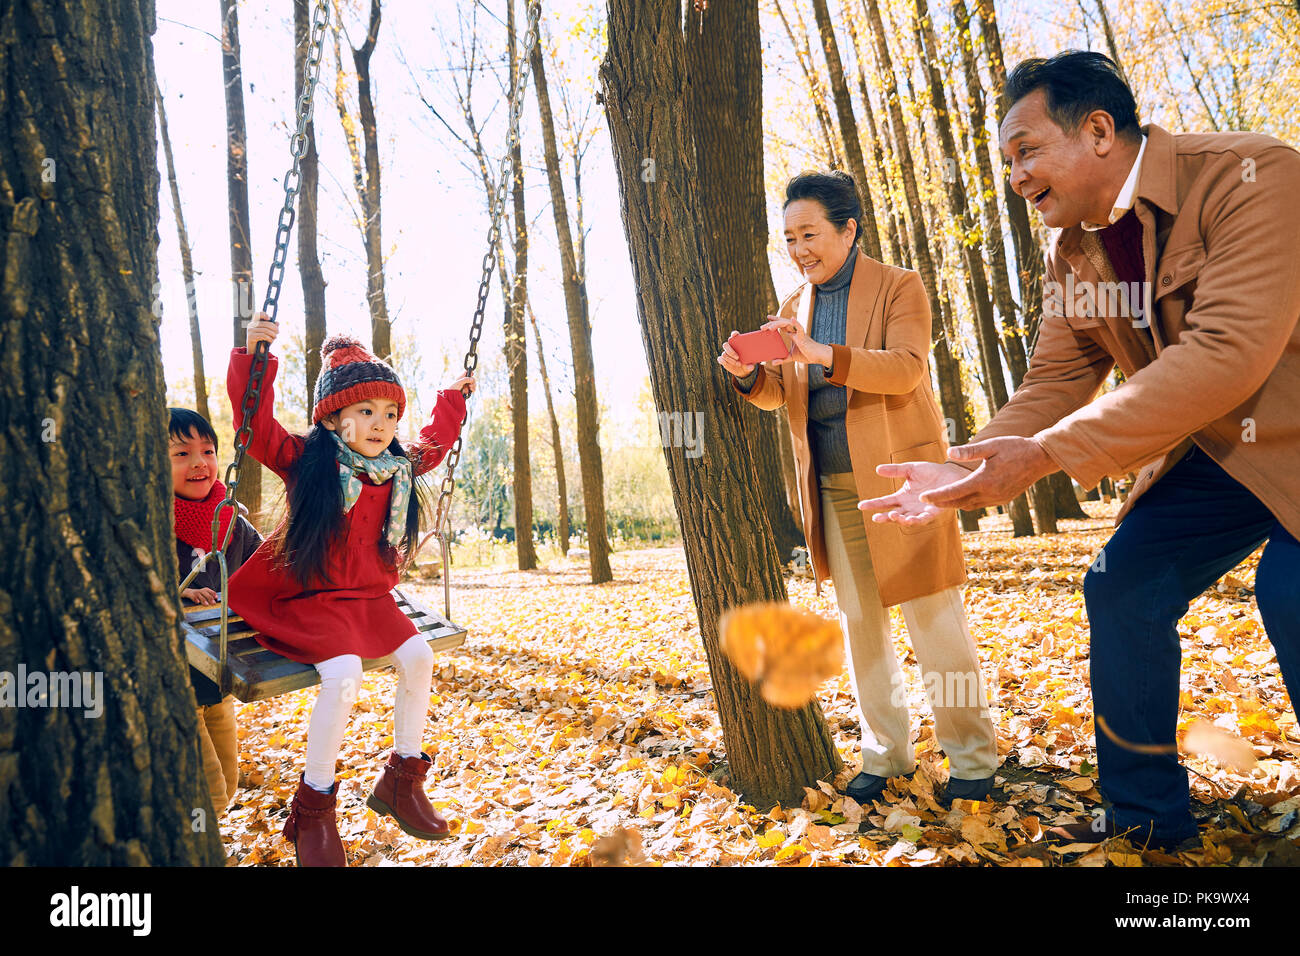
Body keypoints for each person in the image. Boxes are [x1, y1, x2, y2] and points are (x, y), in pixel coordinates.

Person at [861, 51, 1300, 848]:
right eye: (1007, 162)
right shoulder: (1076, 253)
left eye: (1027, 151)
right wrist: (969, 464)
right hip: (1219, 457)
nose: (1017, 177)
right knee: (1121, 584)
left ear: (1098, 131)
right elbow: (1054, 381)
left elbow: (1228, 351)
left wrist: (1052, 453)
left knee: (1291, 590)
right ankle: (1146, 828)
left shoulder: (1250, 174)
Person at [717, 170, 999, 806]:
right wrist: (747, 377)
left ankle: (974, 762)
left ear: (848, 229)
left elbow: (905, 370)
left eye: (810, 233)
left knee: (936, 624)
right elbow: (785, 394)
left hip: (907, 480)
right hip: (833, 488)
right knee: (862, 625)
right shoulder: (795, 308)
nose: (799, 249)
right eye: (789, 238)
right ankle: (886, 754)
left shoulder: (901, 286)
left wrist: (821, 354)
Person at [227, 313, 475, 866]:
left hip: (367, 598)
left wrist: (451, 400)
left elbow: (434, 442)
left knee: (418, 656)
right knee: (343, 676)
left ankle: (401, 782)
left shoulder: (397, 467)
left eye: (389, 413)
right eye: (366, 411)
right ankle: (312, 810)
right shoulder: (306, 460)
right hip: (306, 595)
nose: (380, 424)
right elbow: (256, 427)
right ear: (334, 418)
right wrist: (255, 358)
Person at [170, 407, 264, 820]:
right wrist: (178, 594)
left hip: (216, 682)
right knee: (207, 791)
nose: (199, 462)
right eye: (181, 453)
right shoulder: (146, 523)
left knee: (225, 783)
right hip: (174, 688)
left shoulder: (232, 523)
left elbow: (271, 567)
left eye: (208, 450)